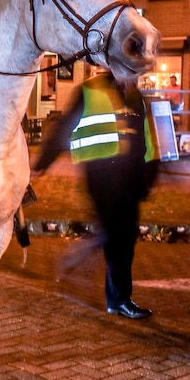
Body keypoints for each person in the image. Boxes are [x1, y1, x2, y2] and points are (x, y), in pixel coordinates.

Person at [33, 71, 159, 320]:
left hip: (131, 181)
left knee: (121, 238)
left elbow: (148, 140)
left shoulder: (137, 98)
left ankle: (80, 263)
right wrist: (43, 162)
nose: (133, 76)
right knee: (118, 239)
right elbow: (65, 127)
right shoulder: (89, 91)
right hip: (102, 179)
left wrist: (151, 176)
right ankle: (118, 299)